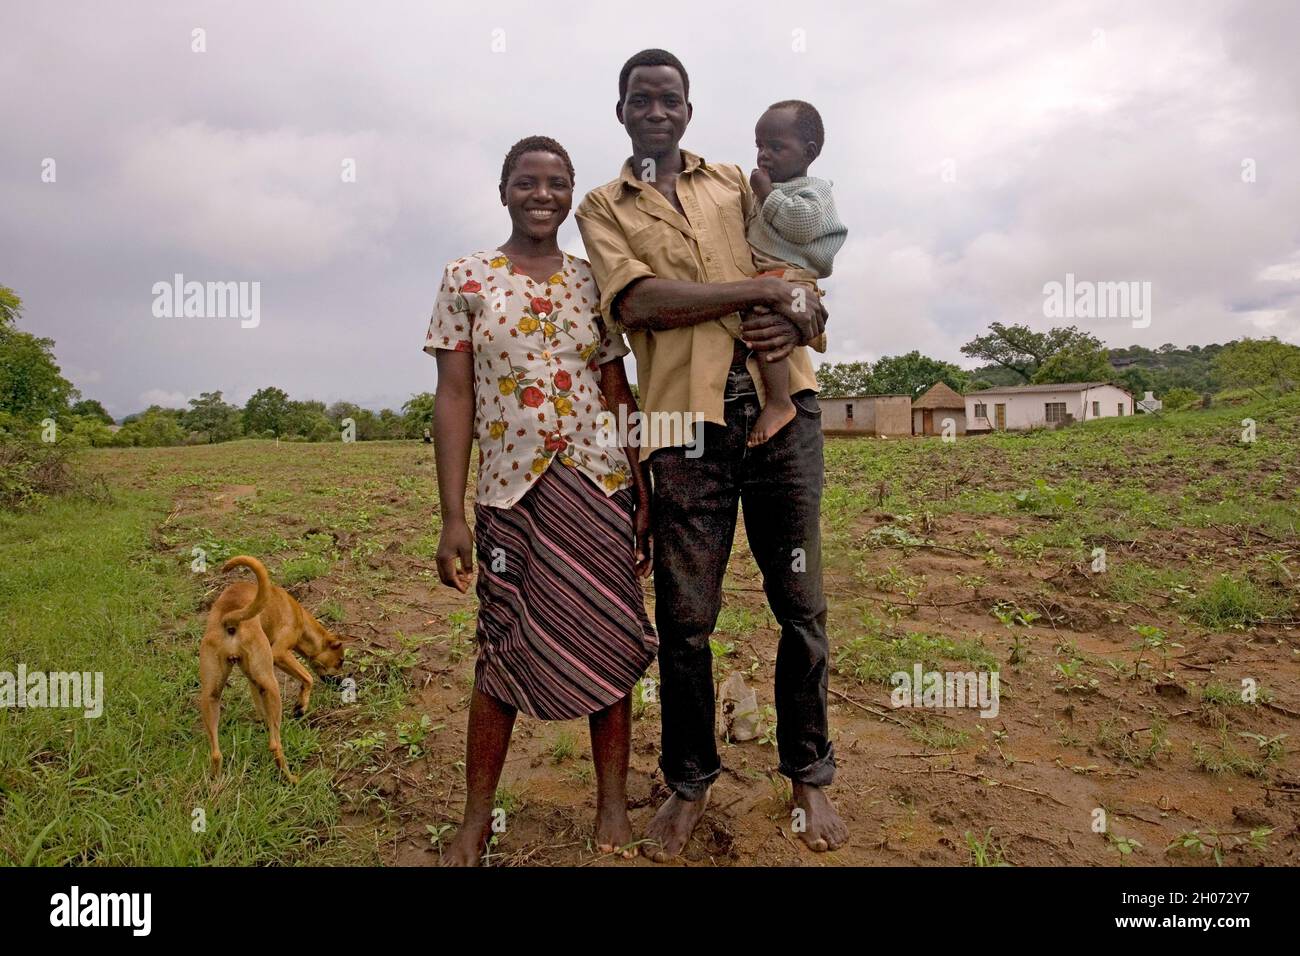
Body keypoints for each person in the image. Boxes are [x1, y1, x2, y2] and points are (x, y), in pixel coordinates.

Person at [576, 49, 848, 861]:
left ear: (689, 110)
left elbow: (800, 270)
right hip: (682, 430)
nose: (656, 109)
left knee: (801, 607)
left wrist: (797, 313)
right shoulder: (602, 207)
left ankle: (809, 773)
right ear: (622, 110)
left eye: (670, 98)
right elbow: (641, 304)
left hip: (782, 413)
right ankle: (689, 783)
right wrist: (756, 293)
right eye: (640, 98)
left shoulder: (737, 180)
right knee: (686, 622)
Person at [426, 135, 656, 865]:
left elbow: (617, 390)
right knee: (500, 648)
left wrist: (640, 484)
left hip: (597, 484)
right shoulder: (466, 278)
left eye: (557, 183)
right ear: (504, 191)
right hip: (508, 493)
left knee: (610, 639)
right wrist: (453, 514)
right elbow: (454, 395)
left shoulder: (594, 282)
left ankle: (613, 806)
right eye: (527, 181)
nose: (543, 194)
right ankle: (475, 817)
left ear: (569, 193)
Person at [736, 98, 847, 445]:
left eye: (776, 146)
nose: (763, 155)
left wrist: (766, 194)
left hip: (791, 275)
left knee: (764, 323)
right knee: (760, 321)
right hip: (772, 276)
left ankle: (780, 402)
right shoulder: (767, 192)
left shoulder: (815, 190)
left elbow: (801, 224)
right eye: (759, 145)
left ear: (809, 152)